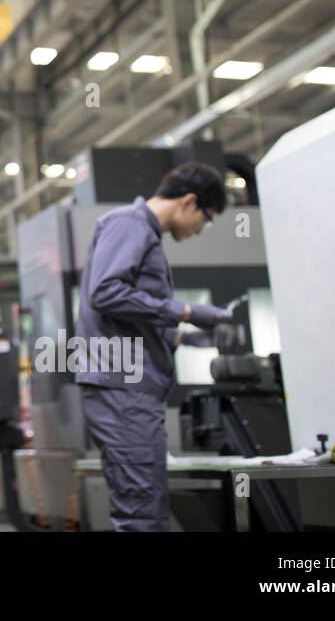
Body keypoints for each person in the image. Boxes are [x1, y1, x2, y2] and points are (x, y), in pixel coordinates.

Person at [75, 162, 234, 531]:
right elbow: (106, 292)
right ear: (189, 202)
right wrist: (189, 311)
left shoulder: (141, 233)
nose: (199, 230)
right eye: (206, 219)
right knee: (142, 511)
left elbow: (131, 315)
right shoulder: (129, 224)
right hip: (123, 390)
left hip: (130, 390)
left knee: (148, 505)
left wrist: (191, 337)